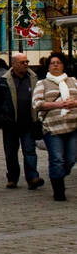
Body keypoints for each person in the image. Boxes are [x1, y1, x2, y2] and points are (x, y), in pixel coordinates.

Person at [0, 52, 44, 189]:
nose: (26, 64)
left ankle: (33, 178)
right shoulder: (3, 81)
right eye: (22, 62)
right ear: (13, 64)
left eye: (27, 61)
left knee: (30, 151)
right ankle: (12, 177)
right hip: (10, 124)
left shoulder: (34, 78)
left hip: (29, 122)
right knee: (11, 152)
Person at [32, 50, 77, 201]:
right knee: (57, 158)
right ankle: (59, 190)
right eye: (52, 63)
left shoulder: (73, 81)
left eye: (58, 63)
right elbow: (37, 104)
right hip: (52, 128)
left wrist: (74, 102)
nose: (55, 65)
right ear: (48, 67)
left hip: (73, 126)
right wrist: (57, 104)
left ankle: (59, 175)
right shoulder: (42, 83)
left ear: (63, 65)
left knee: (71, 158)